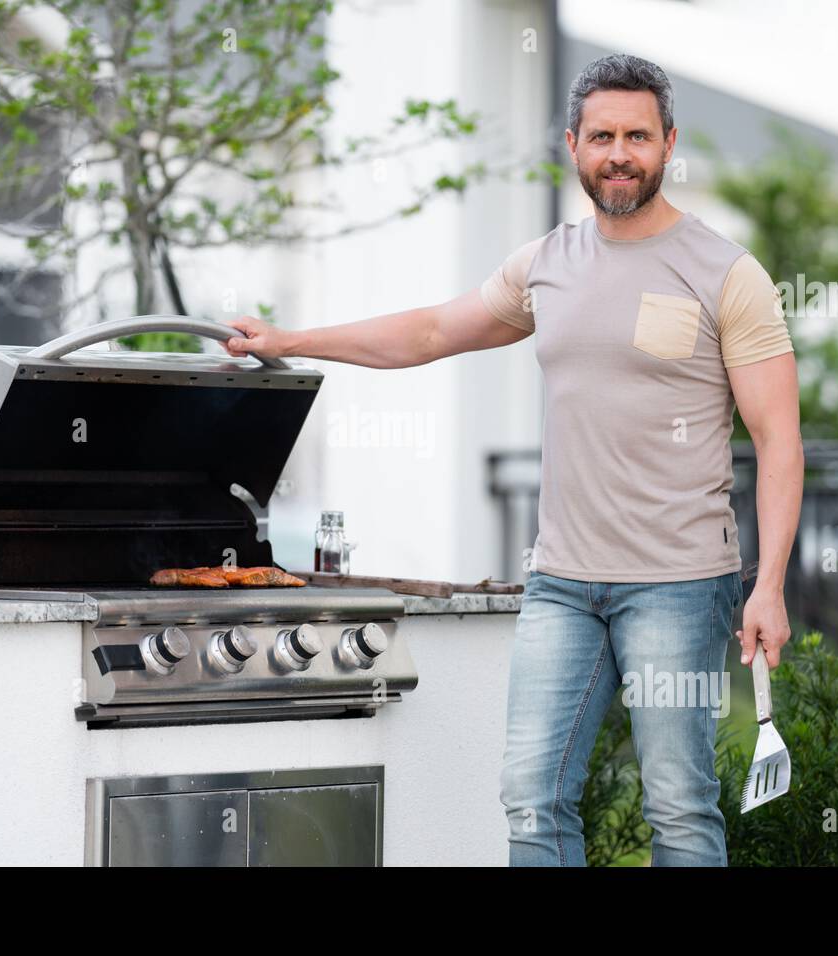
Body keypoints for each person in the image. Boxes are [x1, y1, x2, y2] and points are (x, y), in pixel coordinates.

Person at [219, 52, 803, 867]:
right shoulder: (546, 265)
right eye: (602, 136)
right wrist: (291, 340)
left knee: (678, 808)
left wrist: (768, 582)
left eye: (638, 135)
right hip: (562, 583)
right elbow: (427, 333)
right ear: (573, 145)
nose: (619, 154)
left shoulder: (727, 275)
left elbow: (779, 439)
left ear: (670, 143)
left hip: (678, 582)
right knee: (532, 798)